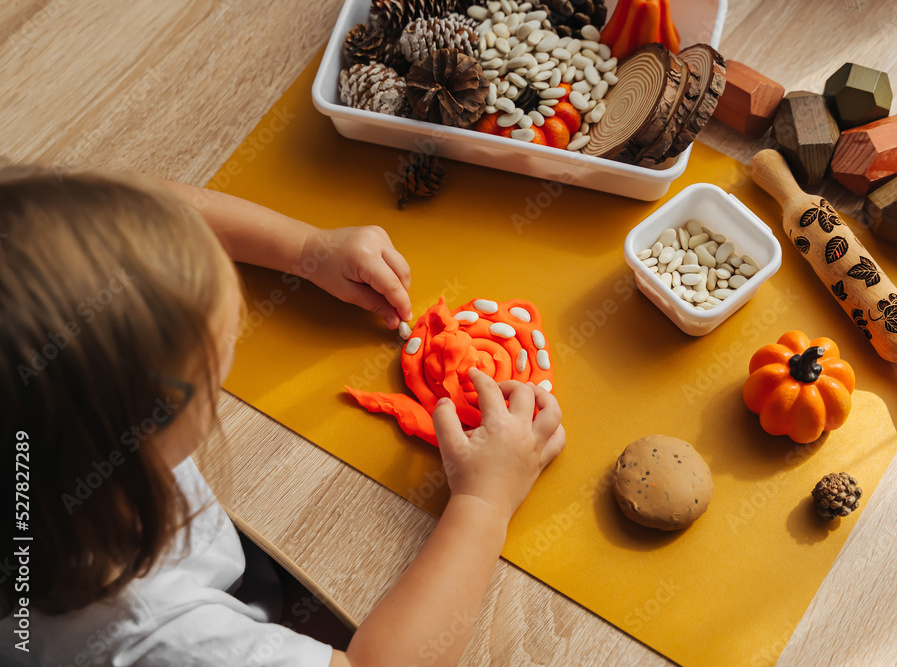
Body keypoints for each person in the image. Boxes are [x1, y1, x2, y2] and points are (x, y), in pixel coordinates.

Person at [0, 166, 565, 666]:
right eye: (216, 366)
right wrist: (483, 502)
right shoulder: (156, 638)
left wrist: (307, 248)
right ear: (146, 426)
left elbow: (130, 210)